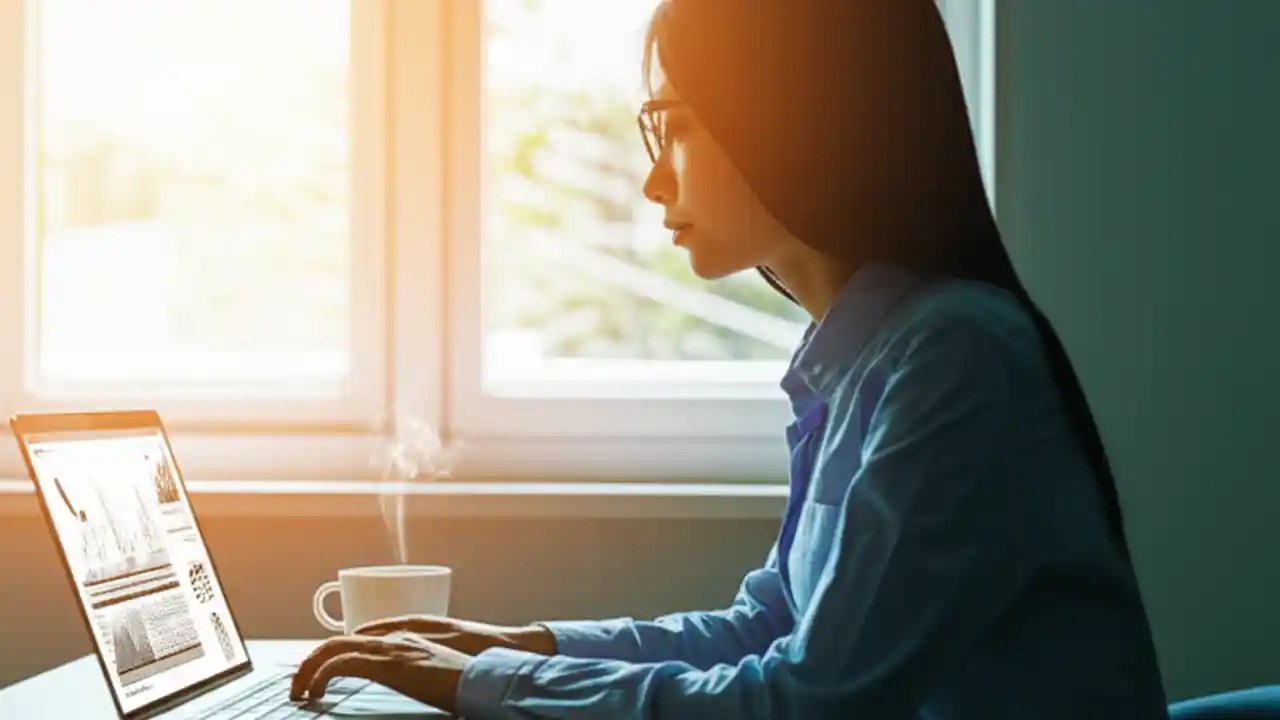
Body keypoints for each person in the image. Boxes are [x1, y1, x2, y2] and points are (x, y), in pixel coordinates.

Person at [290, 1, 1171, 717]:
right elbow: (772, 626)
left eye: (669, 126)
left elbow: (809, 701)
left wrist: (482, 684)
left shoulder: (954, 358)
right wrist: (520, 646)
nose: (652, 179)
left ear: (786, 119)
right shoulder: (874, 355)